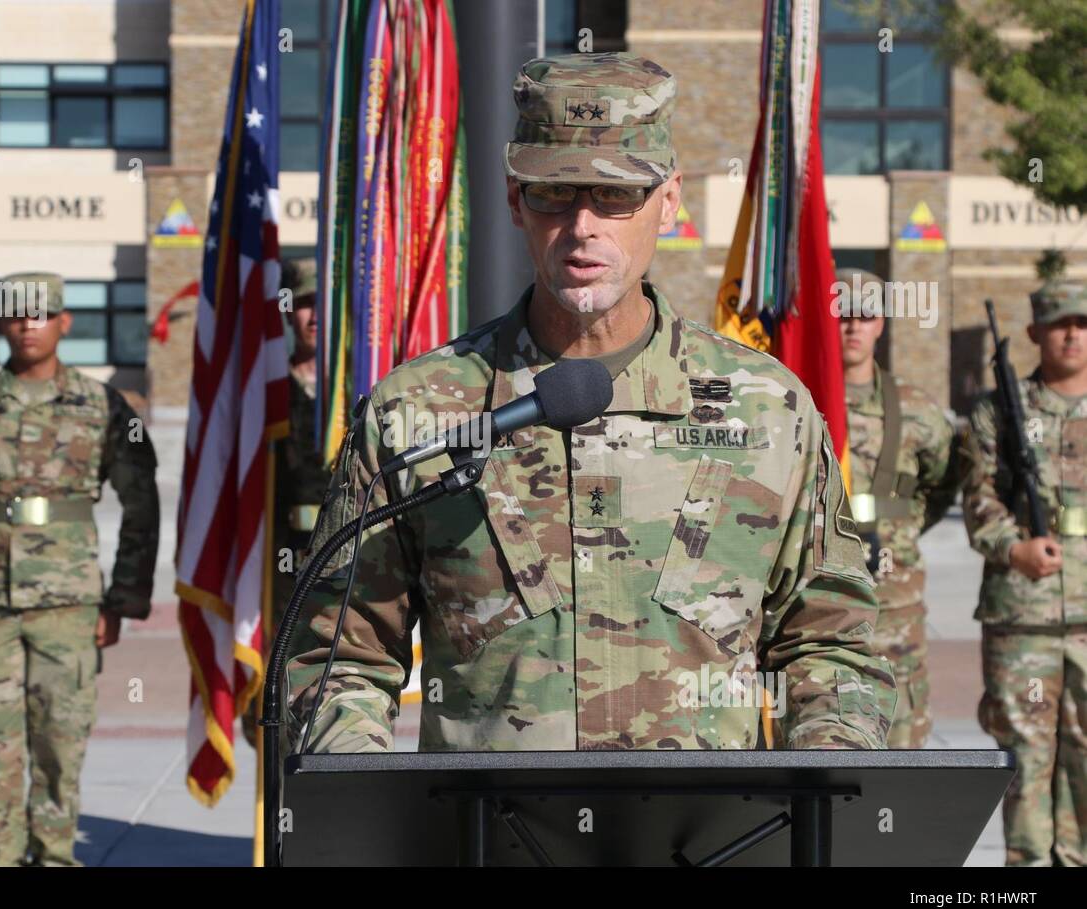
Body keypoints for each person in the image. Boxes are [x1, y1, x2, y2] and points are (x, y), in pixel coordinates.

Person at [284, 52, 895, 755]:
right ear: (515, 200)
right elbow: (340, 658)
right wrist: (377, 814)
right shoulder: (417, 414)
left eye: (615, 196)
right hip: (487, 840)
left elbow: (831, 647)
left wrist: (826, 791)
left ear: (669, 201)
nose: (583, 226)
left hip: (710, 841)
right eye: (554, 194)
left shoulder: (768, 413)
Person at [0, 271, 159, 866]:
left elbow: (141, 500)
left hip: (69, 605)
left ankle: (54, 858)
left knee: (60, 746)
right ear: (1, 322)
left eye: (40, 314)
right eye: (16, 314)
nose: (28, 325)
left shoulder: (103, 404)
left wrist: (123, 598)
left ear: (63, 322)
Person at [961, 278, 1087, 866]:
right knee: (1028, 757)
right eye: (1060, 323)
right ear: (1035, 331)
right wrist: (1016, 550)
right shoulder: (997, 411)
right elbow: (979, 499)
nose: (1072, 334)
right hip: (1024, 615)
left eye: (1082, 324)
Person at [838, 268, 962, 747]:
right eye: (842, 315)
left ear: (880, 324)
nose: (852, 326)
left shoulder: (916, 408)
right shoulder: (795, 400)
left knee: (902, 739)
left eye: (864, 315)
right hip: (821, 602)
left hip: (896, 605)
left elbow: (943, 481)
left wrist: (902, 530)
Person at [241, 257, 332, 747]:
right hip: (278, 567)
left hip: (350, 559)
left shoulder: (367, 387)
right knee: (273, 698)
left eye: (323, 304)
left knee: (340, 690)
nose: (314, 316)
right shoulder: (265, 394)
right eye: (302, 305)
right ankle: (279, 817)